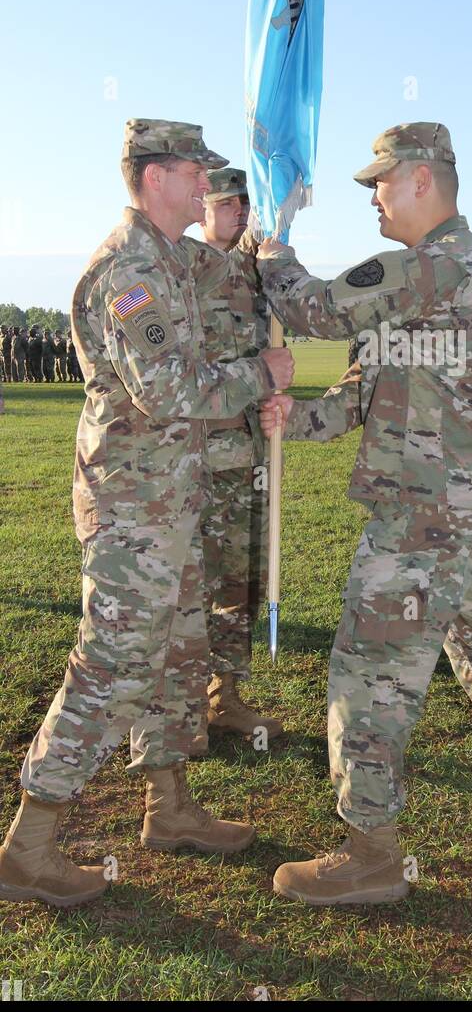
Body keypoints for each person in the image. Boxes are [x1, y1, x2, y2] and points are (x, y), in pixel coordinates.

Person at [255, 122, 472, 905]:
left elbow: (316, 309)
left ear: (423, 179)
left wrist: (273, 251)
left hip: (428, 512)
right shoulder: (434, 278)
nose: (373, 197)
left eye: (382, 181)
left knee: (370, 669)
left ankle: (370, 854)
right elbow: (369, 386)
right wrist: (295, 418)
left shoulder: (433, 263)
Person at [0, 119, 293, 909]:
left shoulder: (172, 257)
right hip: (133, 508)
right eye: (196, 170)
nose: (207, 184)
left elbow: (237, 268)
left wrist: (277, 228)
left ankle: (169, 808)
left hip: (172, 498)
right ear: (156, 176)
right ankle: (28, 844)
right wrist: (258, 372)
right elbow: (165, 391)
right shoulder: (129, 271)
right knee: (114, 662)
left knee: (178, 651)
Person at [190, 164, 283, 741]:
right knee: (197, 581)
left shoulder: (255, 271)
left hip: (250, 452)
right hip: (200, 455)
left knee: (242, 581)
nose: (239, 212)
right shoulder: (184, 269)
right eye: (227, 204)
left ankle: (225, 695)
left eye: (245, 204)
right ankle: (185, 707)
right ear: (202, 208)